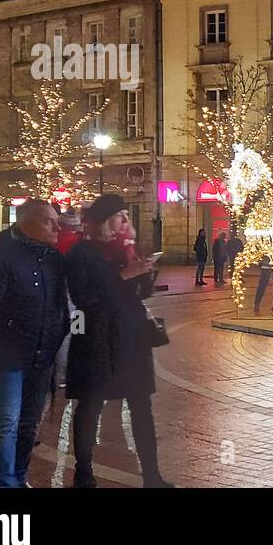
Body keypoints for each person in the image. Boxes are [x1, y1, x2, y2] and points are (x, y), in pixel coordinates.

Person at [65, 195, 171, 488]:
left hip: (132, 338)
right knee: (90, 406)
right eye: (119, 215)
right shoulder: (82, 253)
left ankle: (152, 474)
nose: (125, 221)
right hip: (97, 339)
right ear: (102, 220)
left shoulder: (123, 249)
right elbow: (85, 297)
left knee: (141, 407)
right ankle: (83, 472)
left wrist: (143, 271)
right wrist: (125, 274)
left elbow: (141, 294)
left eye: (127, 215)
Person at [0, 199, 69, 488]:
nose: (57, 227)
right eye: (49, 221)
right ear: (26, 223)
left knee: (28, 425)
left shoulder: (53, 259)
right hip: (5, 357)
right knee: (6, 424)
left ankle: (19, 476)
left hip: (41, 356)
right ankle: (5, 483)